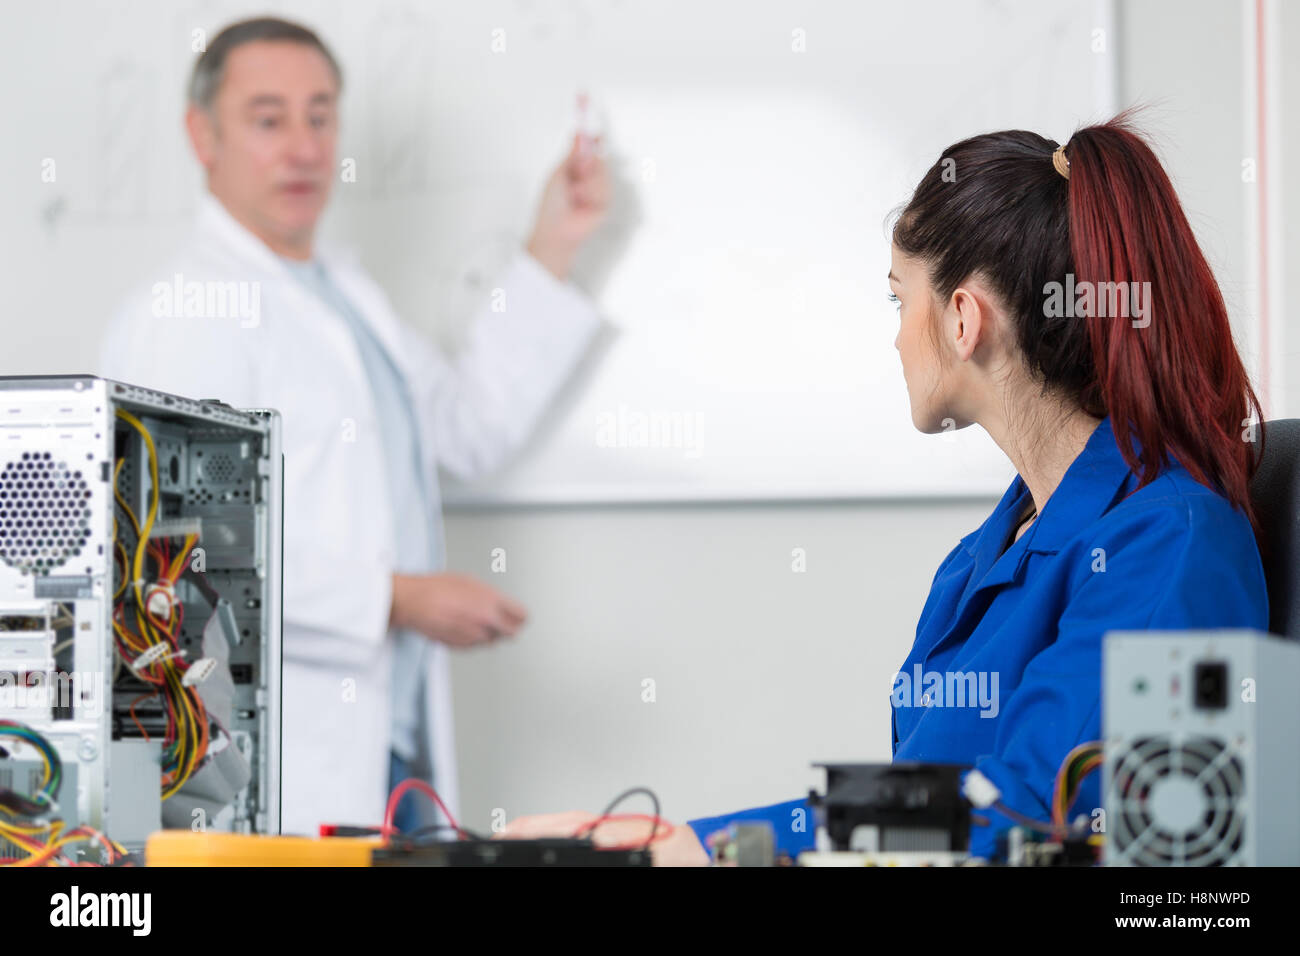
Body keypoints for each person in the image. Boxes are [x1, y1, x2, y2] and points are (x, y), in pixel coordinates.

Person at [500, 114, 1270, 863]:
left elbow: (1041, 809)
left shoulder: (1169, 540)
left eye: (900, 300)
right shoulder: (984, 556)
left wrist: (704, 848)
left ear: (964, 319)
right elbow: (927, 806)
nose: (898, 335)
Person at [99, 17, 610, 835]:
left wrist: (553, 243)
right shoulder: (183, 316)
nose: (303, 147)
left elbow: (468, 426)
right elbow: (177, 558)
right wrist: (395, 599)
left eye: (320, 114)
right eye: (269, 120)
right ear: (204, 134)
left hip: (384, 745)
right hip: (291, 752)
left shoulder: (343, 294)